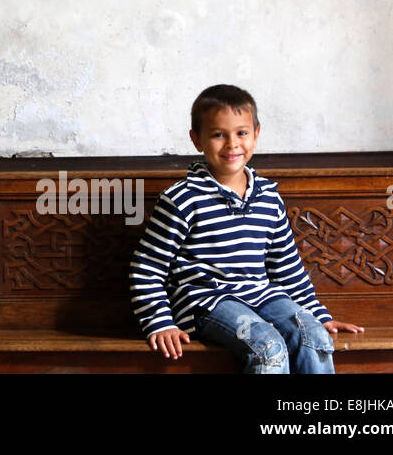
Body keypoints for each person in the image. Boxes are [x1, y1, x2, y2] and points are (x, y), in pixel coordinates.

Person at [128, 84, 364, 372]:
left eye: (241, 133)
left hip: (261, 294)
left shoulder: (268, 197)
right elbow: (147, 268)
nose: (232, 144)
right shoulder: (182, 199)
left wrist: (316, 315)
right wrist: (160, 322)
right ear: (196, 139)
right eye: (218, 135)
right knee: (268, 346)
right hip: (206, 301)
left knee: (314, 336)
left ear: (256, 135)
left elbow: (286, 268)